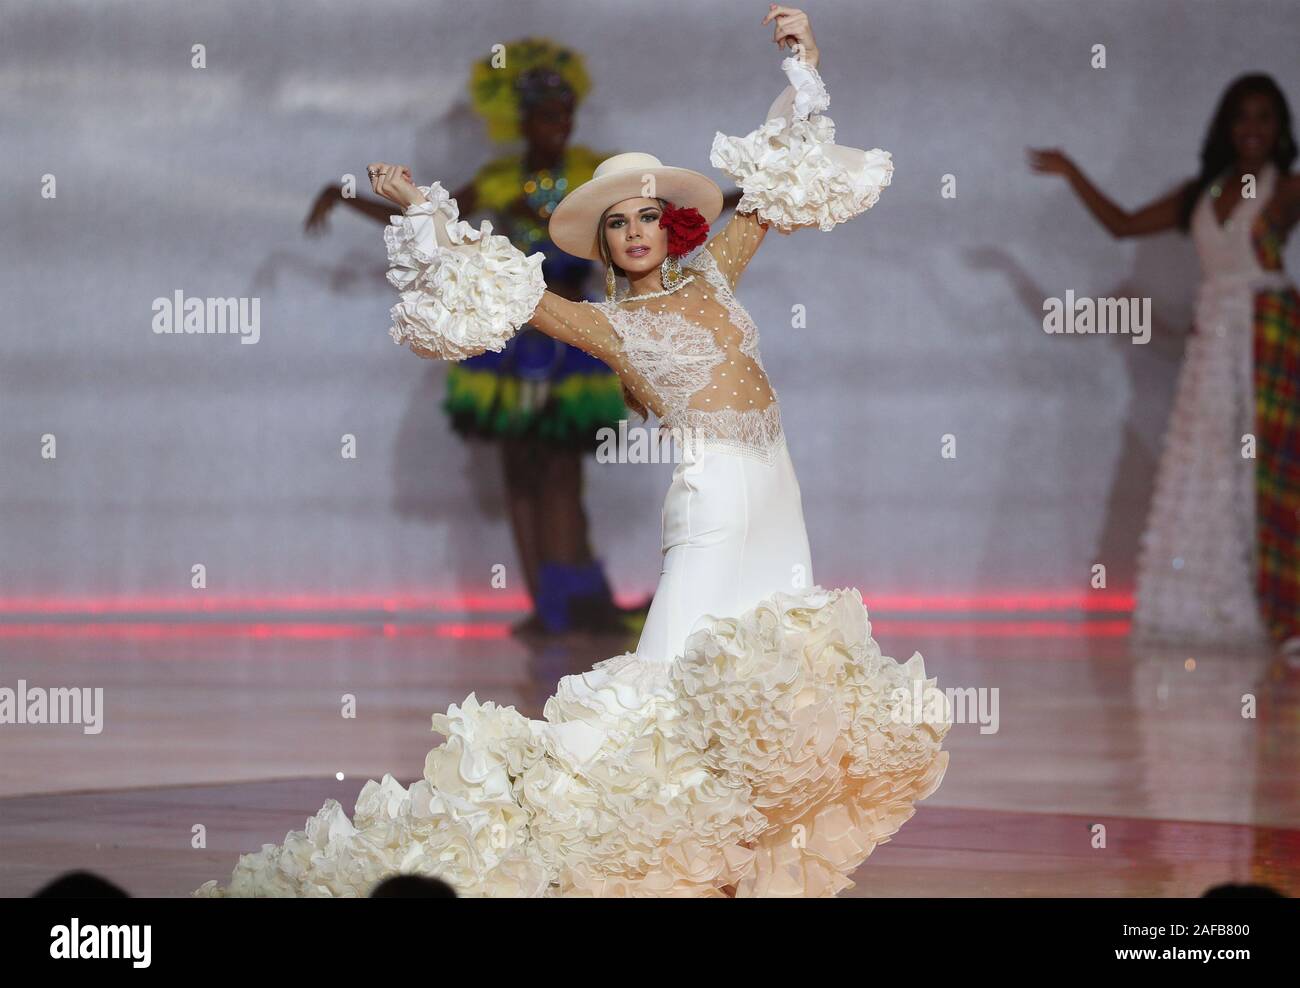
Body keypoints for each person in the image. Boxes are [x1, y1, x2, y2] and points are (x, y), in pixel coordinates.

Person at [197, 5, 950, 899]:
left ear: (669, 227)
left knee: (773, 687)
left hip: (778, 494)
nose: (633, 232)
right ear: (601, 244)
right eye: (616, 225)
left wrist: (802, 65)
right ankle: (578, 853)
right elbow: (497, 281)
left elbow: (779, 180)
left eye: (645, 217)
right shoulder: (606, 324)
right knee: (668, 685)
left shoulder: (716, 274)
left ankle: (720, 866)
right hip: (709, 501)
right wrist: (421, 208)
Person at [307, 39, 640, 637]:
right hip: (511, 339)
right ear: (525, 120)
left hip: (568, 332)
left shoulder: (593, 172)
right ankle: (548, 605)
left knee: (564, 470)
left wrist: (744, 203)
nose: (557, 127)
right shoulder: (497, 178)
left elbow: (656, 213)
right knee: (520, 469)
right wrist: (350, 196)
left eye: (565, 115)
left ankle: (578, 599)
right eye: (546, 115)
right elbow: (427, 220)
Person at [1030, 74, 1300, 656]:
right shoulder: (1200, 195)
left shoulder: (1286, 189)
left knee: (1274, 470)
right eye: (1242, 118)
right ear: (1227, 128)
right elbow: (1122, 223)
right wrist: (1072, 171)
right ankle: (1217, 603)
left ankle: (1288, 614)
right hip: (1214, 341)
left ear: (1280, 131)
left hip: (1269, 334)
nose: (1253, 129)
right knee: (1209, 468)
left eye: (1265, 119)